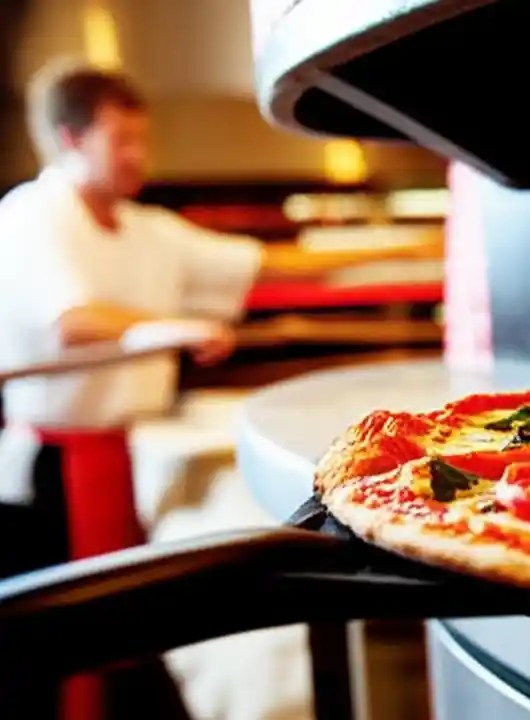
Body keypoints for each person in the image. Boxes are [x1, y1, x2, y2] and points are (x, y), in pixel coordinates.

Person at [0, 60, 427, 719]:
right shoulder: (33, 216)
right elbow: (77, 321)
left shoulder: (147, 231)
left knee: (128, 638)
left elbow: (269, 263)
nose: (138, 156)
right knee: (63, 646)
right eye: (122, 141)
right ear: (70, 139)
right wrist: (172, 327)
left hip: (128, 453)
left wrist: (411, 246)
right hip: (59, 468)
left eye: (142, 139)